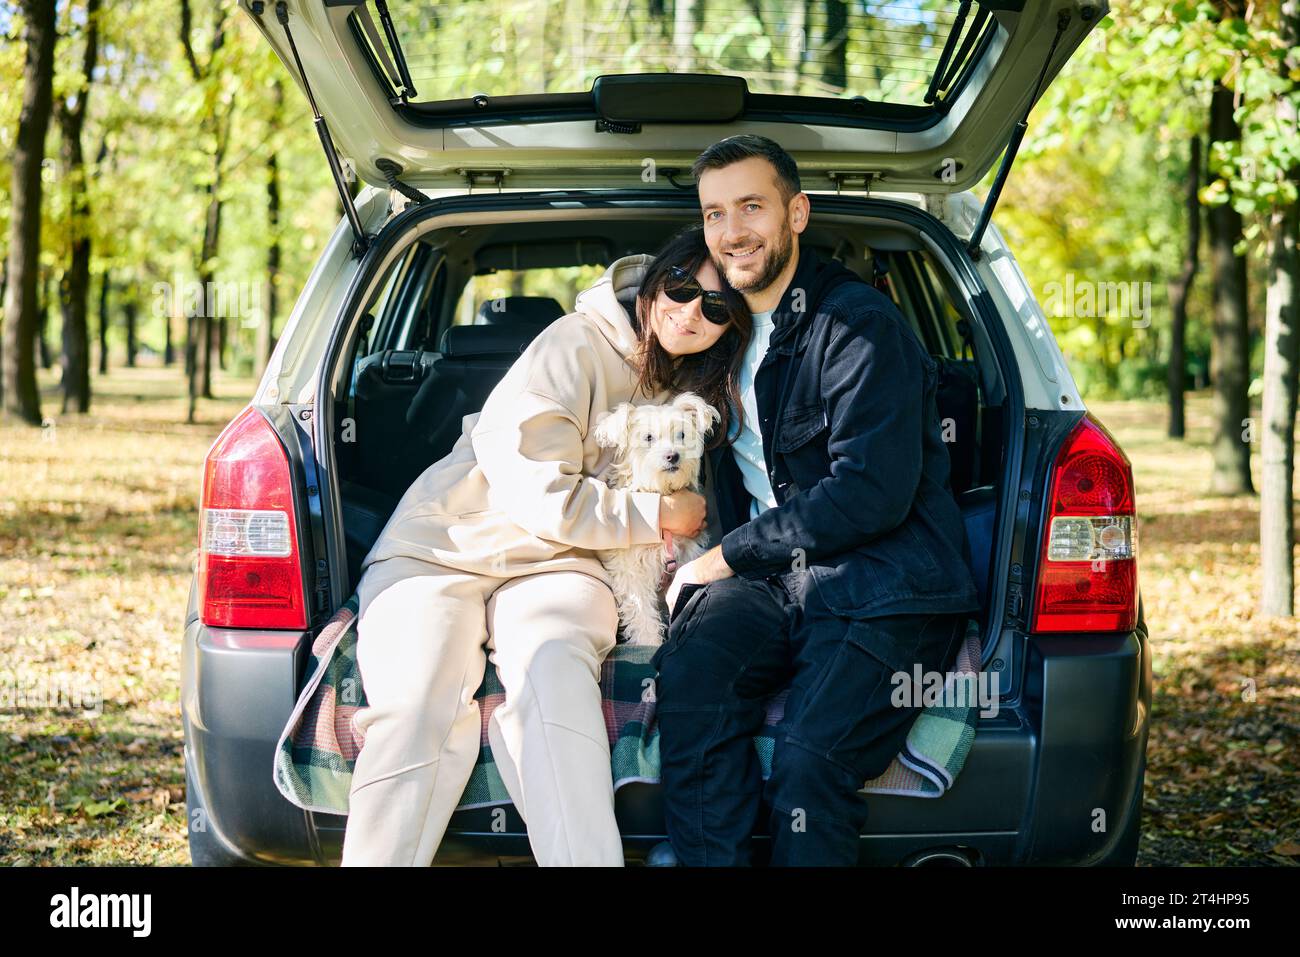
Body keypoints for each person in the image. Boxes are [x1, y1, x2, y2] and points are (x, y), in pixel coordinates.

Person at [339, 225, 750, 866]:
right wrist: (658, 511)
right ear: (654, 281)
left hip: (563, 567)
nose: (692, 310)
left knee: (556, 686)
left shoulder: (697, 394)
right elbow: (541, 494)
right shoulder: (570, 345)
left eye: (717, 307)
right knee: (416, 708)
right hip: (443, 548)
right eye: (681, 287)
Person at [654, 135, 982, 866]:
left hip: (884, 579)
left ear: (795, 213)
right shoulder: (721, 331)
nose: (733, 231)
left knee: (808, 764)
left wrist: (723, 557)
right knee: (693, 687)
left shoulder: (859, 327)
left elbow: (868, 494)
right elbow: (633, 330)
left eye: (751, 206)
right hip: (775, 582)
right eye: (715, 214)